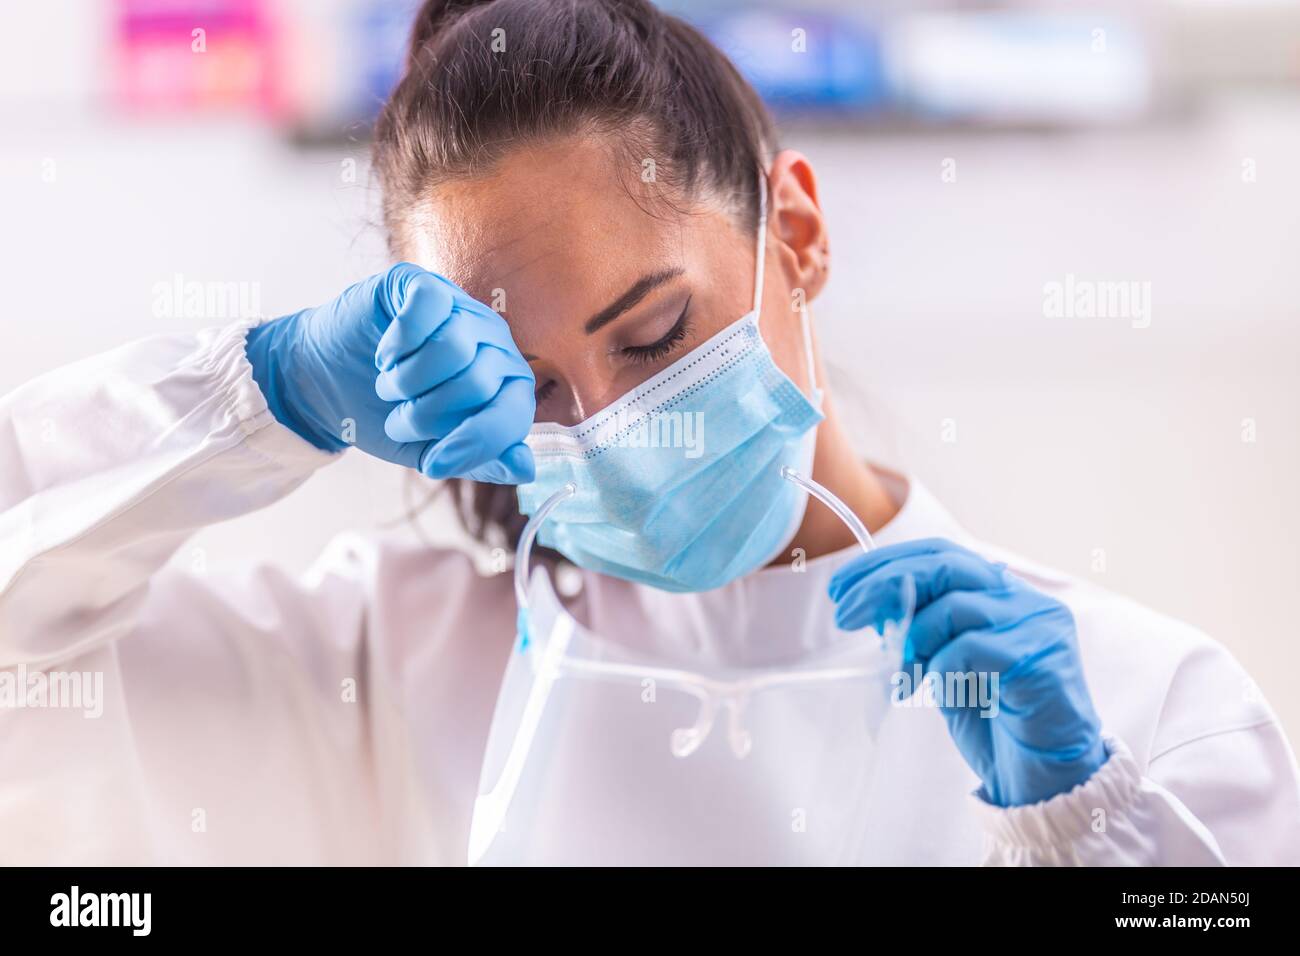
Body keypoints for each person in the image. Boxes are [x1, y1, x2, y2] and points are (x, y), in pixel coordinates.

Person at [1, 0, 1297, 866]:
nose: (618, 433)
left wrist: (1095, 829)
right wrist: (257, 396)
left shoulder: (1135, 712)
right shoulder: (381, 668)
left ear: (793, 231)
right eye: (532, 386)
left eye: (656, 334)